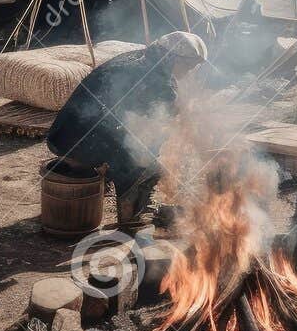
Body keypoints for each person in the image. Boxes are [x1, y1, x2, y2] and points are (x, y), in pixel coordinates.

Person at [46, 30, 208, 229]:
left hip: (67, 132)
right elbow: (152, 121)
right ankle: (131, 218)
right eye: (190, 65)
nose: (191, 71)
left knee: (145, 150)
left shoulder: (140, 59)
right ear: (173, 57)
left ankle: (133, 203)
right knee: (146, 165)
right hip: (77, 138)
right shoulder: (151, 77)